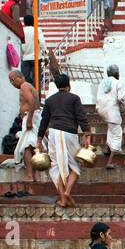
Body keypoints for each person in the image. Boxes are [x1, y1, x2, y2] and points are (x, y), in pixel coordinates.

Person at [37, 73, 87, 208]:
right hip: (70, 133)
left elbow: (44, 121)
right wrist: (86, 133)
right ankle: (67, 192)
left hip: (53, 133)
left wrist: (39, 138)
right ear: (69, 84)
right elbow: (81, 117)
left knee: (54, 167)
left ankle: (63, 199)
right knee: (75, 165)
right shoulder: (75, 98)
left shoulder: (49, 100)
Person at [93, 65, 125, 171]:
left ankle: (108, 148)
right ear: (116, 73)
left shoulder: (102, 83)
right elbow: (121, 98)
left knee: (111, 127)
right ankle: (110, 161)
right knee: (117, 135)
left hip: (101, 110)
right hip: (111, 110)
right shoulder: (118, 83)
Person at [8, 69, 42, 171]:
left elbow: (31, 100)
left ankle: (30, 175)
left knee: (26, 146)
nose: (12, 83)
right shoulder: (28, 86)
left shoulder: (24, 86)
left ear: (20, 77)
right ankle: (34, 175)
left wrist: (29, 119)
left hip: (30, 118)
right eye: (10, 81)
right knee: (31, 146)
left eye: (13, 80)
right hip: (32, 117)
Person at [20, 14, 49, 90]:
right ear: (33, 22)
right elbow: (42, 43)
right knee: (36, 81)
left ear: (24, 22)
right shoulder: (37, 30)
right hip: (36, 58)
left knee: (24, 81)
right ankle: (36, 98)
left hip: (25, 58)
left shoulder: (21, 30)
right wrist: (46, 56)